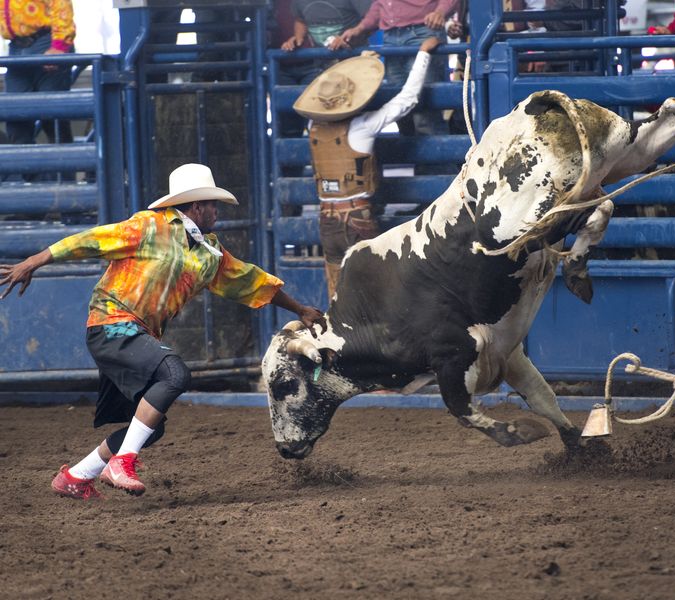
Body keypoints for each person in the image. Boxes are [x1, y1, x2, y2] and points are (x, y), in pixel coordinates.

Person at [0, 163, 325, 500]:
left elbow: (251, 281)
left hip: (137, 337)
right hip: (112, 325)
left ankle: (76, 476)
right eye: (214, 204)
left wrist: (299, 309)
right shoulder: (148, 226)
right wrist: (32, 262)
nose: (217, 211)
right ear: (197, 206)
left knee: (151, 427)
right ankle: (122, 462)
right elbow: (89, 241)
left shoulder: (209, 252)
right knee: (175, 374)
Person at [292, 37, 442, 300]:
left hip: (327, 218)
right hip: (356, 217)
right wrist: (423, 54)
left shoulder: (313, 127)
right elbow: (407, 99)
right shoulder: (361, 127)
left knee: (337, 291)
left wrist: (364, 62)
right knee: (374, 291)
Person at [332, 0, 457, 137]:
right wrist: (359, 29)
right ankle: (417, 156)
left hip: (422, 31)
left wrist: (439, 13)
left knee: (424, 112)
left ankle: (438, 157)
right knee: (398, 110)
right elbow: (381, 5)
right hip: (392, 36)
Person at [0, 0, 76, 146]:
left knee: (52, 116)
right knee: (16, 120)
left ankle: (63, 167)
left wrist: (59, 46)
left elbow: (60, 4)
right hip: (16, 47)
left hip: (46, 41)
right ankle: (26, 168)